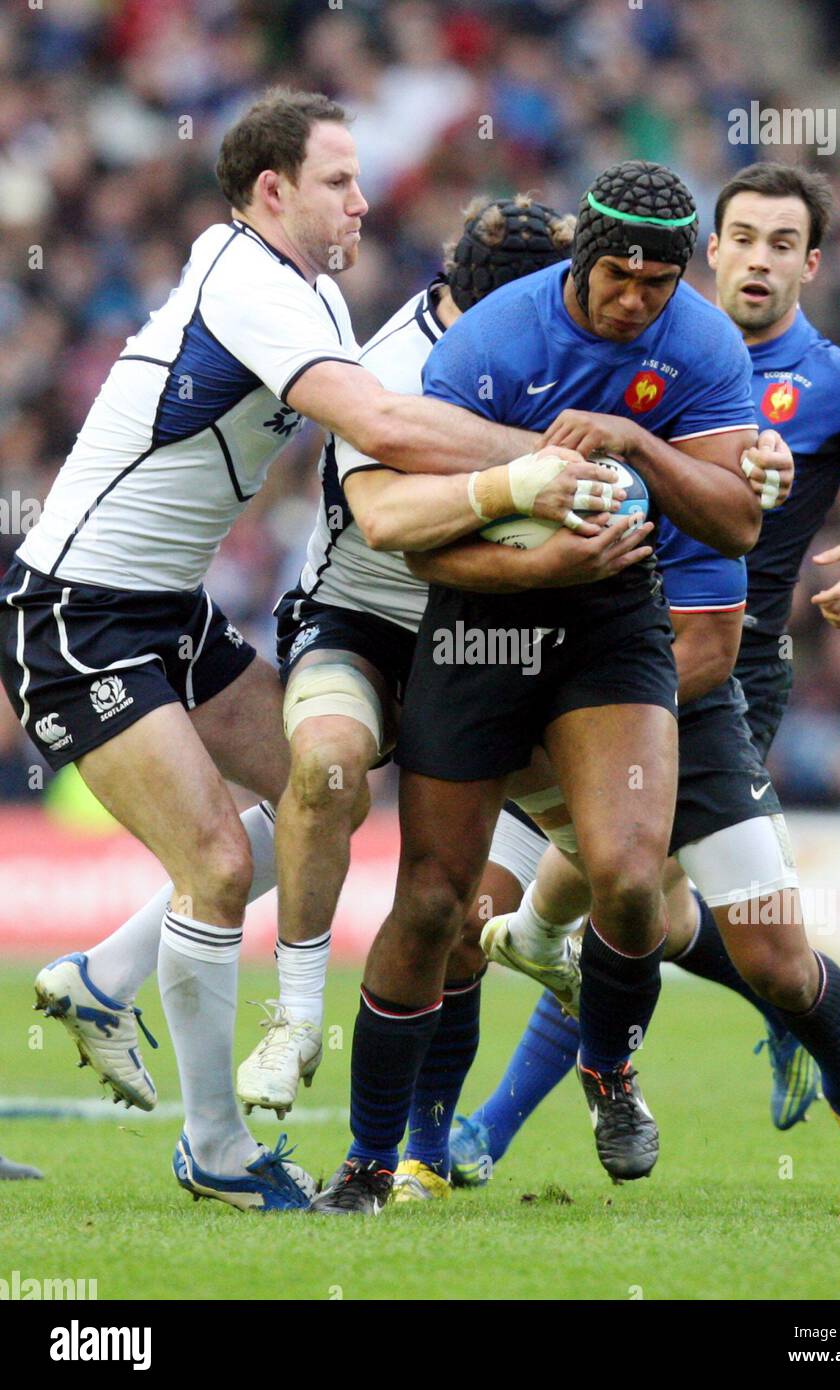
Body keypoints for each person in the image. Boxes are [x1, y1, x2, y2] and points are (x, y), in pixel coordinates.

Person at [3, 88, 607, 1213]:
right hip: (79, 609)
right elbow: (378, 428)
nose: (363, 200)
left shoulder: (313, 290)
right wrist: (536, 464)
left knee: (318, 790)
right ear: (270, 189)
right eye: (339, 180)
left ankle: (106, 975)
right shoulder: (246, 277)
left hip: (165, 608)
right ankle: (218, 1148)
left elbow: (388, 418)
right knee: (219, 870)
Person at [451, 163, 840, 1207]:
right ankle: (443, 1141)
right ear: (711, 249)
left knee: (641, 895)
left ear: (809, 264)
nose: (760, 258)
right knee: (512, 905)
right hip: (578, 658)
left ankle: (836, 1083)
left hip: (719, 668)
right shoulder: (641, 346)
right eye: (743, 236)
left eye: (785, 242)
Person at [311, 159, 768, 1215]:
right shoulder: (488, 345)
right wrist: (535, 565)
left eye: (659, 282)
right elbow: (422, 549)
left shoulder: (698, 343)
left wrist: (639, 443)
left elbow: (736, 523)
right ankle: (370, 1162)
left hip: (611, 625)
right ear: (582, 259)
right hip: (480, 620)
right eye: (619, 277)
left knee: (627, 873)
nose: (635, 301)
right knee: (434, 901)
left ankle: (606, 1070)